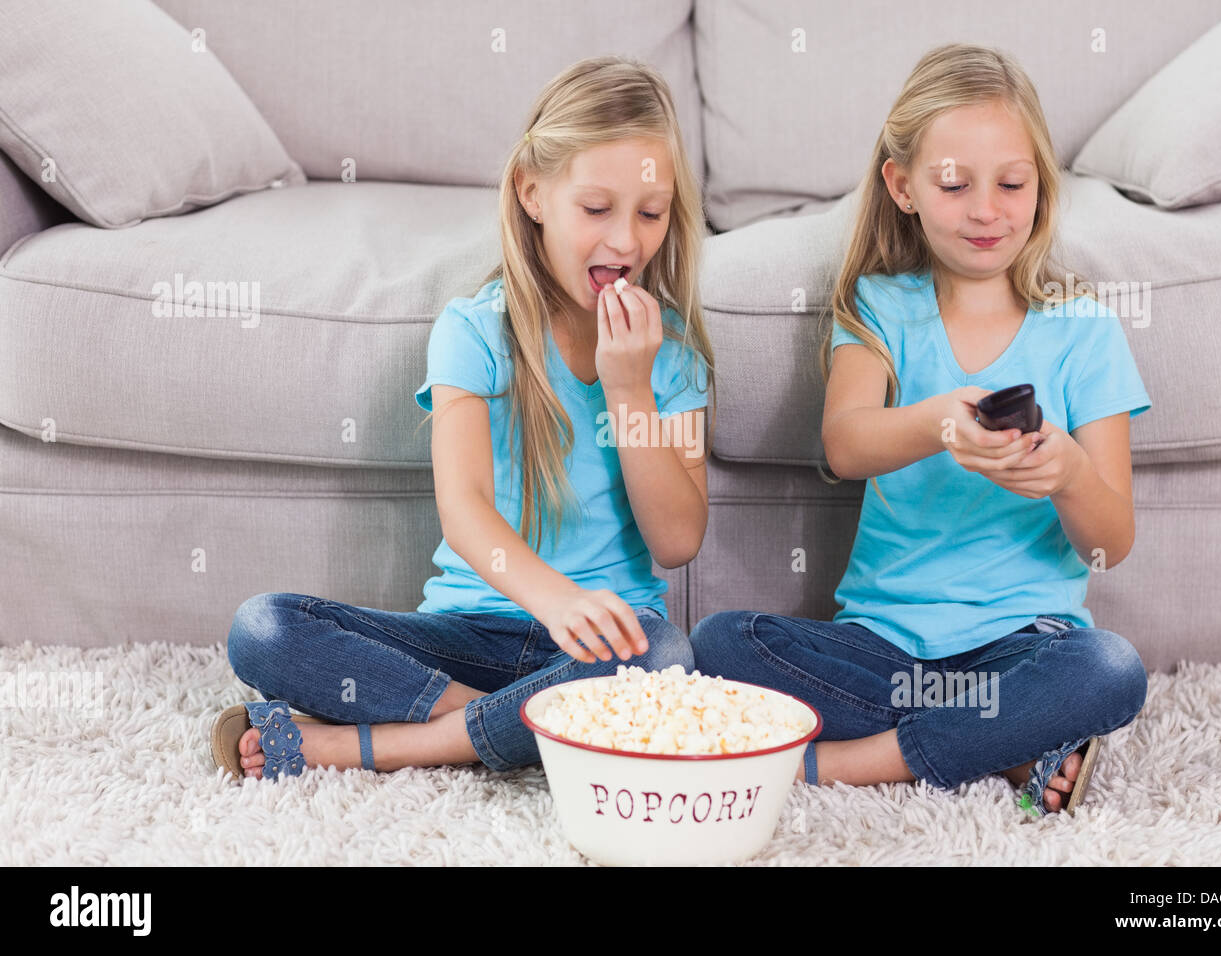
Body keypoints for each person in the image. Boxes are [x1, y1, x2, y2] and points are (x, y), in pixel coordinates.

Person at [218, 55, 714, 781]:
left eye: (651, 213)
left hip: (606, 643)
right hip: (468, 629)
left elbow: (677, 539)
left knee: (665, 658)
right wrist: (557, 600)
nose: (627, 243)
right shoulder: (473, 331)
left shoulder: (672, 355)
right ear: (534, 193)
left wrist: (629, 389)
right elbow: (466, 510)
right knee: (262, 627)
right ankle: (510, 721)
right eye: (596, 209)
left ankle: (366, 745)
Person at [689, 43, 1150, 817]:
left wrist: (1068, 474)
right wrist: (941, 420)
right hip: (884, 648)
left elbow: (1112, 540)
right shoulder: (880, 308)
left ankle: (848, 764)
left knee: (1110, 669)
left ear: (1041, 184)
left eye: (1011, 183)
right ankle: (1005, 747)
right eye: (953, 184)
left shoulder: (1085, 330)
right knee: (717, 643)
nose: (986, 210)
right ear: (902, 187)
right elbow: (846, 443)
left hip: (1022, 647)